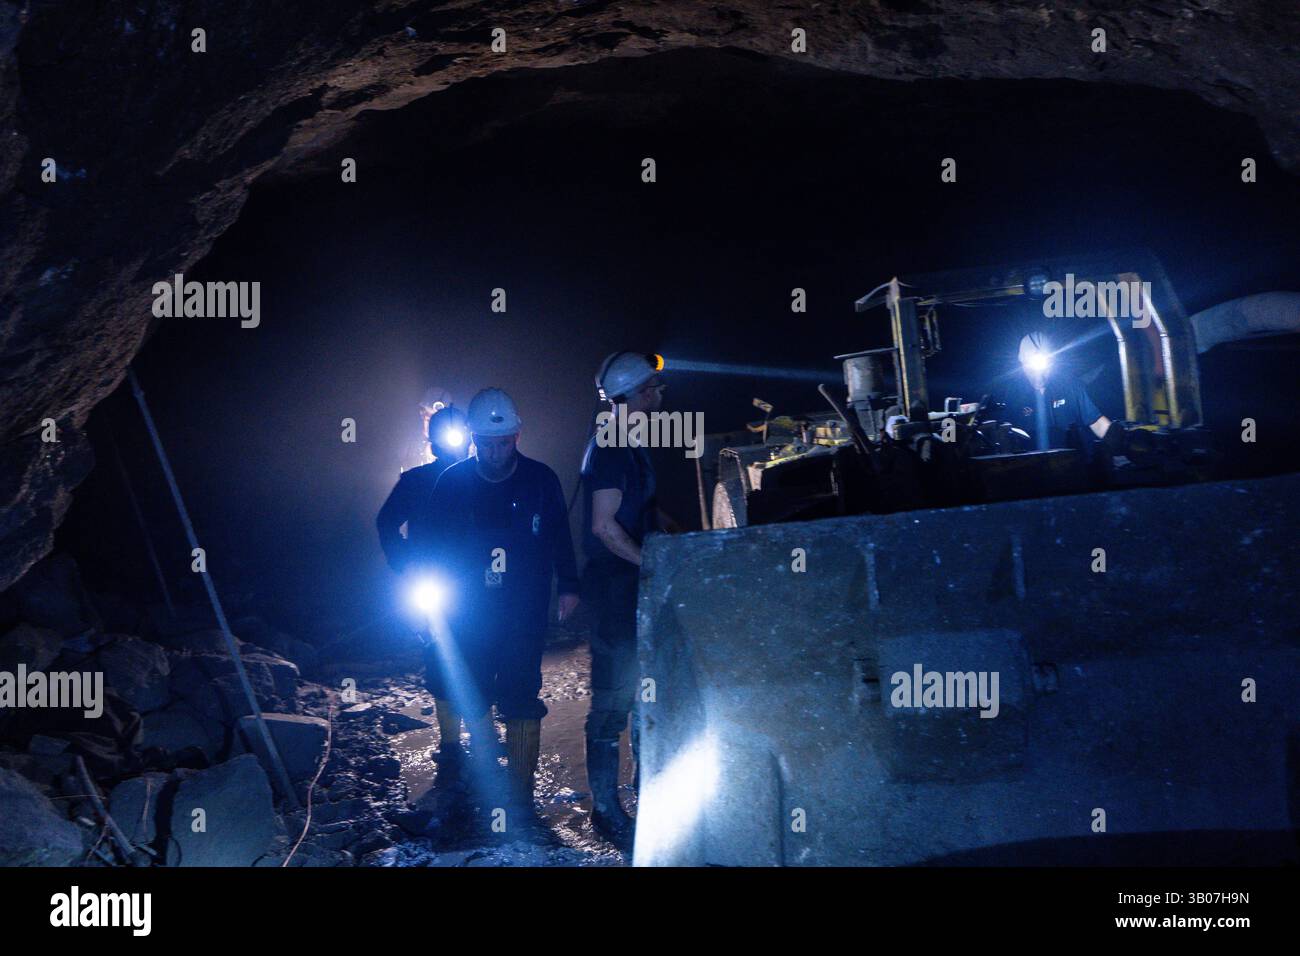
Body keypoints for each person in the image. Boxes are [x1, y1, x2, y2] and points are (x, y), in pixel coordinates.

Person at [412, 387, 580, 826]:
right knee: (476, 691)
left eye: (503, 441)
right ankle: (485, 775)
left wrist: (570, 584)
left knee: (522, 693)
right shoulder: (451, 484)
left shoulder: (541, 480)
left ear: (518, 436)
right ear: (472, 438)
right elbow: (428, 548)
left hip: (524, 608)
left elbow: (560, 534)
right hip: (469, 611)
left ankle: (521, 796)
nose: (494, 449)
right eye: (486, 441)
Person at [579, 352, 668, 851]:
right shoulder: (611, 448)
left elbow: (637, 510)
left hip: (632, 586)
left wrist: (671, 535)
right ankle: (606, 809)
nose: (658, 396)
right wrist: (650, 562)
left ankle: (645, 791)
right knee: (613, 702)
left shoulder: (630, 444)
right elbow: (604, 527)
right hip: (617, 591)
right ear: (629, 397)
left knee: (639, 693)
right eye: (651, 389)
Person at [376, 404, 470, 573]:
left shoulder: (482, 479)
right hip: (430, 575)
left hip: (472, 576)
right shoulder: (416, 481)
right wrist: (404, 561)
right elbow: (386, 521)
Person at [1001, 331, 1113, 456]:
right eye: (1031, 369)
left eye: (1045, 368)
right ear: (1022, 364)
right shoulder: (1014, 392)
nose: (1040, 376)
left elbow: (1097, 423)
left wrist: (1122, 439)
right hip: (1032, 469)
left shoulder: (1069, 384)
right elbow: (1004, 434)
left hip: (1072, 466)